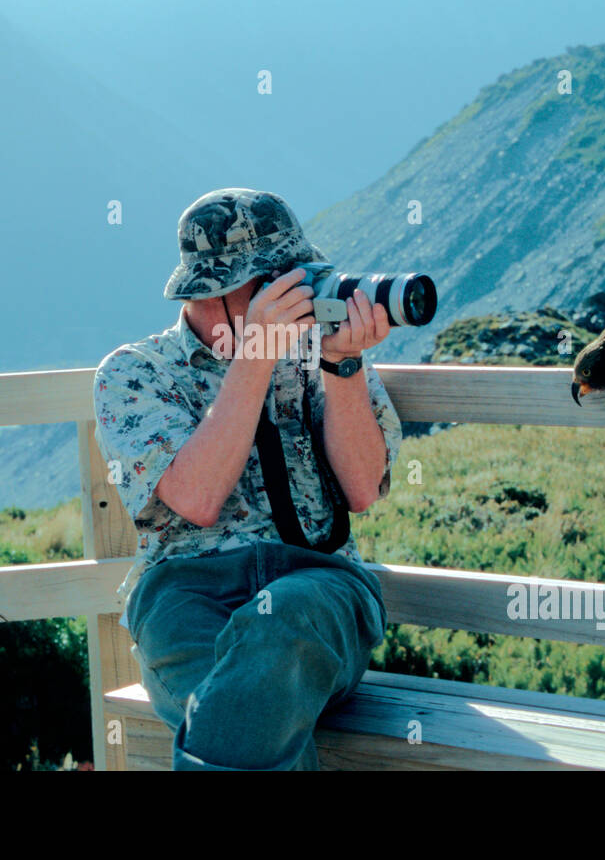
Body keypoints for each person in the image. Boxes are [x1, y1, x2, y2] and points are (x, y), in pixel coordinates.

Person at [92, 187, 402, 770]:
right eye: (275, 280)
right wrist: (254, 359)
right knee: (246, 712)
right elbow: (197, 500)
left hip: (319, 587)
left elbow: (362, 489)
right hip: (184, 593)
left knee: (275, 631)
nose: (299, 293)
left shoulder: (321, 351)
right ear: (217, 287)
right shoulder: (135, 374)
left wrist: (344, 367)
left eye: (299, 275)